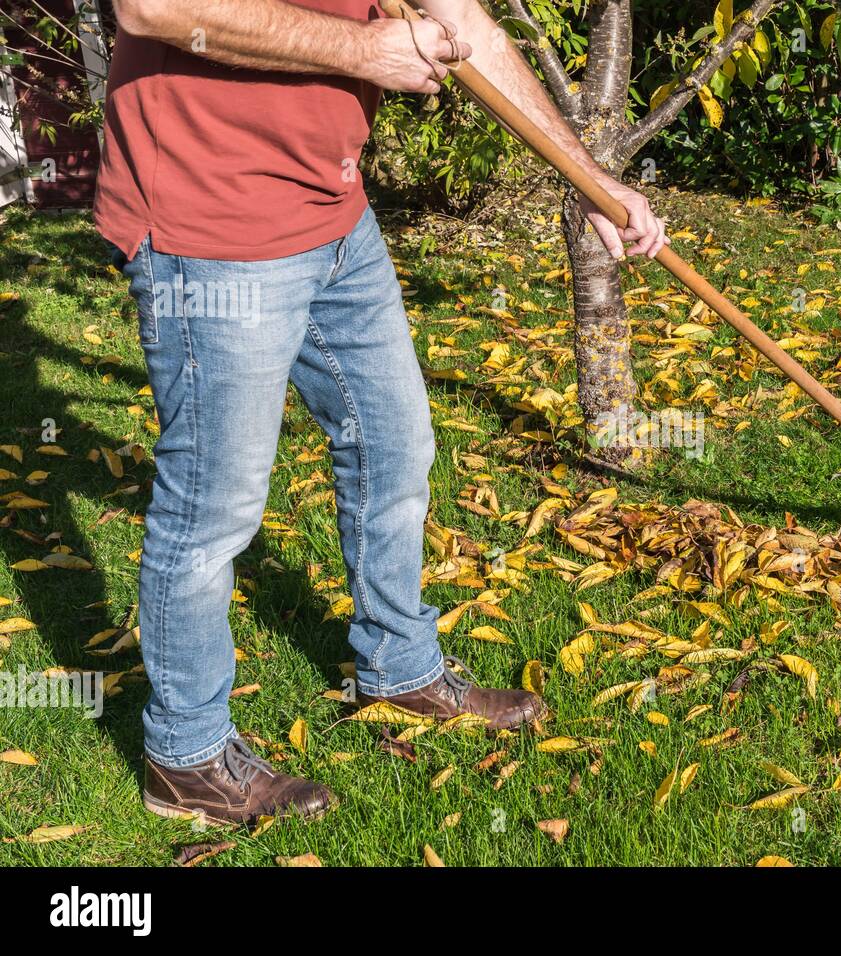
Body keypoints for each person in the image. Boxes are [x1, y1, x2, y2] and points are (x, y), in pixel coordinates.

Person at [97, 0, 667, 826]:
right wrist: (366, 50)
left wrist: (590, 179)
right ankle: (184, 756)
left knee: (394, 442)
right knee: (212, 506)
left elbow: (464, 19)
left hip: (333, 217)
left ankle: (398, 664)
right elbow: (155, 7)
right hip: (209, 229)